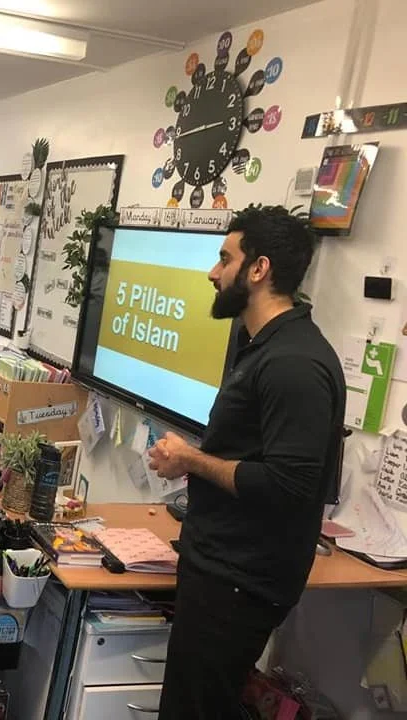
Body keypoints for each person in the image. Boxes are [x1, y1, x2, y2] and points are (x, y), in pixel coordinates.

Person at [147, 206, 345, 720]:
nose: (213, 272)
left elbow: (288, 484)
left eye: (223, 258)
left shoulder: (295, 363)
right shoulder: (257, 343)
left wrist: (191, 459)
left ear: (258, 269)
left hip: (241, 579)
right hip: (218, 561)